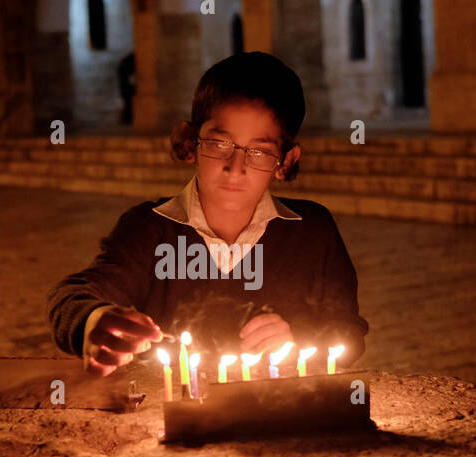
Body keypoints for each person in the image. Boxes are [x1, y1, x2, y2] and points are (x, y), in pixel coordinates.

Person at [47, 51, 369, 376]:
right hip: (171, 418)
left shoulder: (312, 232)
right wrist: (93, 320)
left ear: (285, 161)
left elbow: (349, 334)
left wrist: (297, 338)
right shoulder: (148, 229)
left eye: (259, 151)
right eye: (219, 144)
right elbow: (74, 295)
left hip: (281, 417)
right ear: (189, 143)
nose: (235, 168)